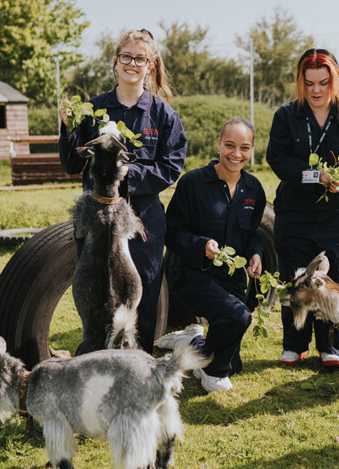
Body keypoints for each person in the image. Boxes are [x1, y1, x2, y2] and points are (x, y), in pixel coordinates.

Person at [58, 28, 187, 354]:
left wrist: (130, 172)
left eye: (140, 58)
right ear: (116, 62)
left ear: (150, 65)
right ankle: (98, 363)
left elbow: (172, 166)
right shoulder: (93, 110)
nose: (132, 63)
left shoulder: (163, 115)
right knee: (96, 295)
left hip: (142, 222)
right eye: (126, 57)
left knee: (139, 294)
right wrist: (68, 128)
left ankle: (139, 369)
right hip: (96, 218)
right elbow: (72, 165)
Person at [266, 48, 339, 369]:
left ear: (336, 80)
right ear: (300, 83)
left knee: (334, 281)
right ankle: (293, 344)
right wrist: (315, 175)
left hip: (338, 216)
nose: (316, 90)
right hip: (294, 214)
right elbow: (277, 159)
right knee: (296, 279)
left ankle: (330, 346)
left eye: (323, 82)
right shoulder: (286, 115)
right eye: (309, 83)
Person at [157, 118, 266, 393]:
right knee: (238, 318)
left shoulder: (254, 189)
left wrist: (255, 254)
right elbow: (173, 233)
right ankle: (211, 372)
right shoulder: (193, 183)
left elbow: (253, 234)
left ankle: (192, 342)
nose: (236, 154)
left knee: (235, 362)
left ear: (252, 150)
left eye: (244, 147)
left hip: (232, 281)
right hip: (194, 275)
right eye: (229, 145)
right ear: (219, 144)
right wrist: (201, 245)